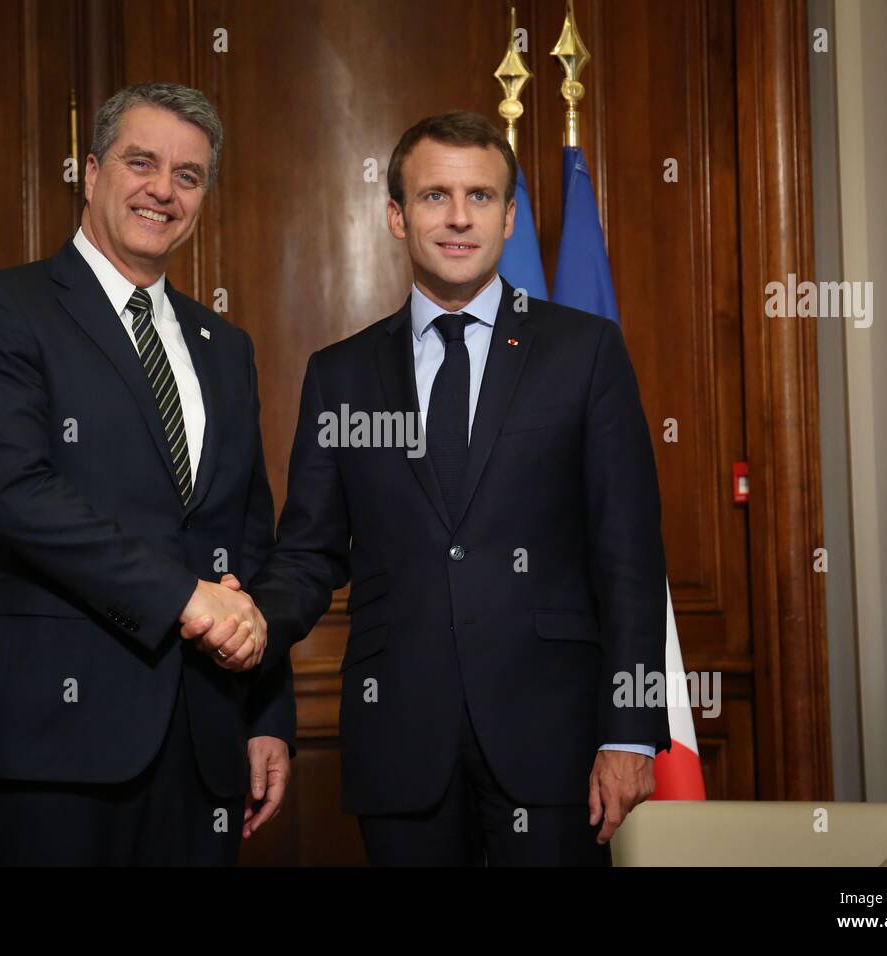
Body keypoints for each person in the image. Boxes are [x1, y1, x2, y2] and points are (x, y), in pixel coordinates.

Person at [203, 111, 670, 865]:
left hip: (555, 744)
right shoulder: (341, 374)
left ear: (509, 216)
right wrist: (249, 615)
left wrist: (629, 727)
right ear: (396, 215)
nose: (459, 217)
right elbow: (311, 550)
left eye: (481, 197)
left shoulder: (584, 354)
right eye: (434, 197)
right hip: (400, 745)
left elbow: (630, 557)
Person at [0, 82, 291, 866]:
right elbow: (17, 495)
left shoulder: (224, 347)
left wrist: (269, 714)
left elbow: (248, 539)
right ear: (92, 171)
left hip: (206, 737)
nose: (163, 189)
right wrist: (184, 598)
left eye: (189, 175)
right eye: (142, 162)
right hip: (54, 737)